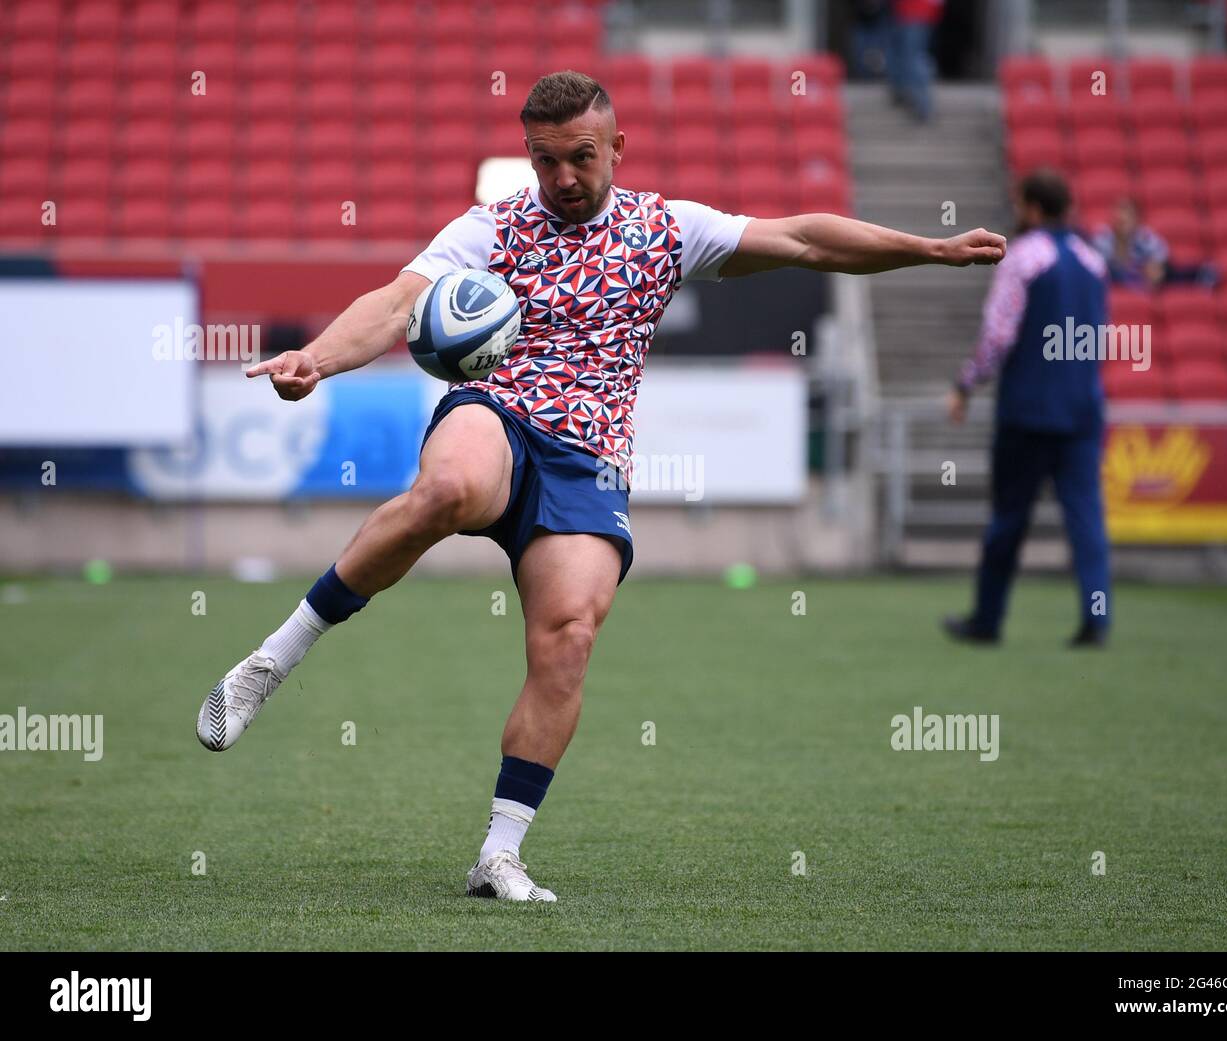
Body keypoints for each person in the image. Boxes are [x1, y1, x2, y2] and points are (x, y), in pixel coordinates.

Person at [196, 70, 1006, 901]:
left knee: (570, 637)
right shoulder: (494, 226)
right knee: (448, 486)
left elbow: (804, 240)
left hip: (589, 458)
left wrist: (928, 248)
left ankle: (498, 854)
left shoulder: (666, 229)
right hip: (498, 414)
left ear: (617, 146)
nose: (563, 179)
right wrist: (317, 360)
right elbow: (397, 301)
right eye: (544, 162)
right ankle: (275, 657)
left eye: (580, 158)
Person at [945, 169, 1111, 648]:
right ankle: (1096, 618)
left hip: (1028, 409)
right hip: (1082, 409)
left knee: (1008, 517)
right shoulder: (1092, 261)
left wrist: (965, 384)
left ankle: (988, 618)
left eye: (1020, 204)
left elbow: (998, 337)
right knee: (1086, 518)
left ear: (1034, 208)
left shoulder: (1023, 258)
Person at [1091, 197, 1168, 290]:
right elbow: (1095, 271)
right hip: (1111, 284)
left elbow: (1159, 265)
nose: (1122, 217)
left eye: (1128, 217)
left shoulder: (1146, 239)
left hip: (1140, 288)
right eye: (1119, 220)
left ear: (1137, 220)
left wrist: (1155, 269)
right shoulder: (1102, 239)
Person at [887, 0, 944, 122]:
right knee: (904, 55)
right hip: (905, 15)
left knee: (914, 58)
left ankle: (923, 105)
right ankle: (903, 91)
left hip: (917, 15)